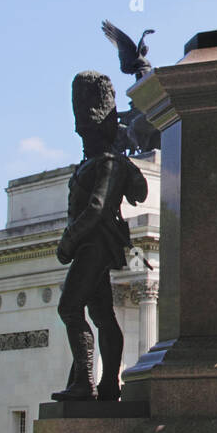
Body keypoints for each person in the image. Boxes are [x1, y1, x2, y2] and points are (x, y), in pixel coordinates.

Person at [52, 72, 147, 402]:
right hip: (89, 245)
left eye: (87, 130)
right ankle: (106, 384)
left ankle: (87, 382)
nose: (83, 136)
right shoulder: (90, 163)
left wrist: (67, 242)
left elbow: (95, 209)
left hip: (97, 243)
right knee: (103, 315)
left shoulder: (109, 163)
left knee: (69, 308)